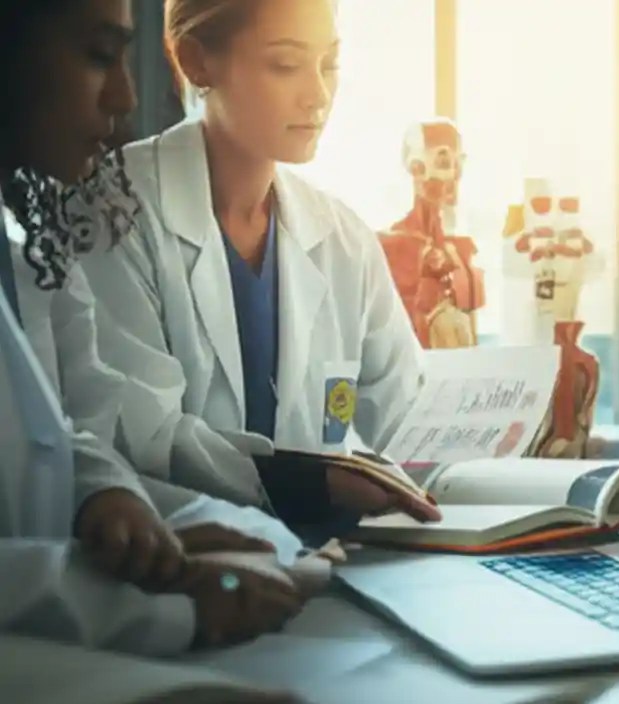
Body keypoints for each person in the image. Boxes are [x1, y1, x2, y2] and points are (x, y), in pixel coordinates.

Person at [2, 0, 305, 655]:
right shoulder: (116, 207)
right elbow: (143, 430)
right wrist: (164, 604)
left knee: (279, 557)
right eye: (97, 55)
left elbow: (73, 423)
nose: (126, 98)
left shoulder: (33, 242)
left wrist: (109, 499)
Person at [76, 0, 440, 537]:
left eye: (329, 64)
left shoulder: (342, 238)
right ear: (198, 62)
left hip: (329, 571)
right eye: (287, 65)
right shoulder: (114, 211)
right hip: (182, 581)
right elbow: (137, 439)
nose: (318, 94)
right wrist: (311, 483)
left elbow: (408, 419)